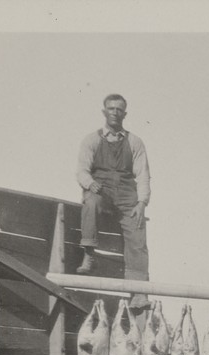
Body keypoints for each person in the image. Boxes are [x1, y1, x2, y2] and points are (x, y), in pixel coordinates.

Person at [76, 93, 151, 310]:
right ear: (104, 111)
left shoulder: (135, 142)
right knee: (90, 202)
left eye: (119, 110)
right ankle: (89, 256)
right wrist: (90, 183)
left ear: (125, 114)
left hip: (128, 197)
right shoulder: (91, 139)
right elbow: (81, 170)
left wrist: (142, 203)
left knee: (138, 231)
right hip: (102, 193)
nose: (115, 113)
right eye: (111, 109)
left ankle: (138, 292)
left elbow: (143, 175)